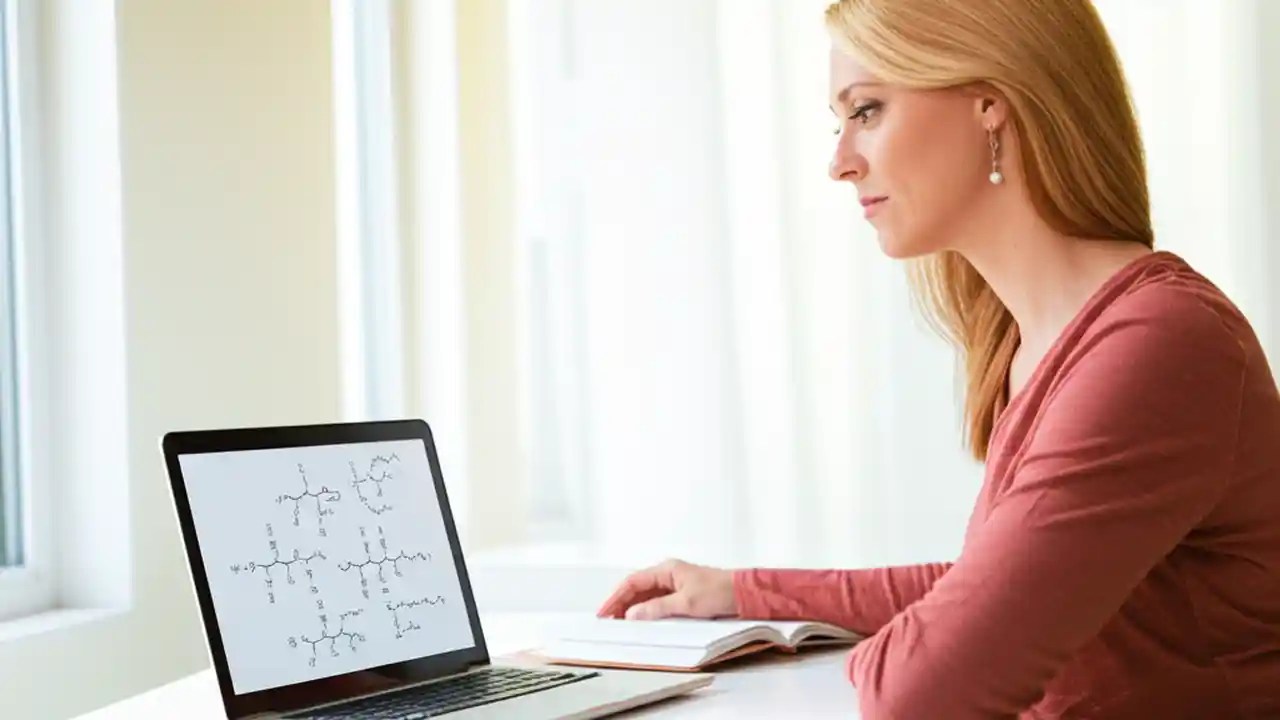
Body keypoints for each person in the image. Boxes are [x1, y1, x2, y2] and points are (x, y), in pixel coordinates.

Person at [595, 1, 1280, 718]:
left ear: (989, 104)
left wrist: (885, 656)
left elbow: (921, 692)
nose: (838, 161)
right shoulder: (1042, 340)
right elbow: (993, 585)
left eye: (867, 111)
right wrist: (744, 593)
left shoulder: (1158, 344)